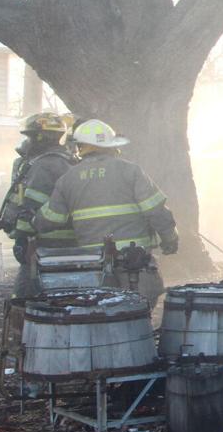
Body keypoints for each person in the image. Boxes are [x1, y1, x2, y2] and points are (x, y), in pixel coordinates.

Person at [32, 118, 177, 308]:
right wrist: (170, 238)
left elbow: (51, 219)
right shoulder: (130, 171)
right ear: (112, 146)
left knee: (101, 315)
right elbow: (156, 211)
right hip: (134, 261)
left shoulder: (68, 178)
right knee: (138, 312)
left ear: (80, 147)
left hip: (93, 263)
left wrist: (33, 219)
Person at [0, 112, 79, 298]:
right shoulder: (61, 162)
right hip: (56, 243)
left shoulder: (46, 165)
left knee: (25, 297)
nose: (27, 142)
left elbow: (32, 207)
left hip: (43, 242)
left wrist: (21, 237)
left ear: (41, 137)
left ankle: (27, 326)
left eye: (30, 137)